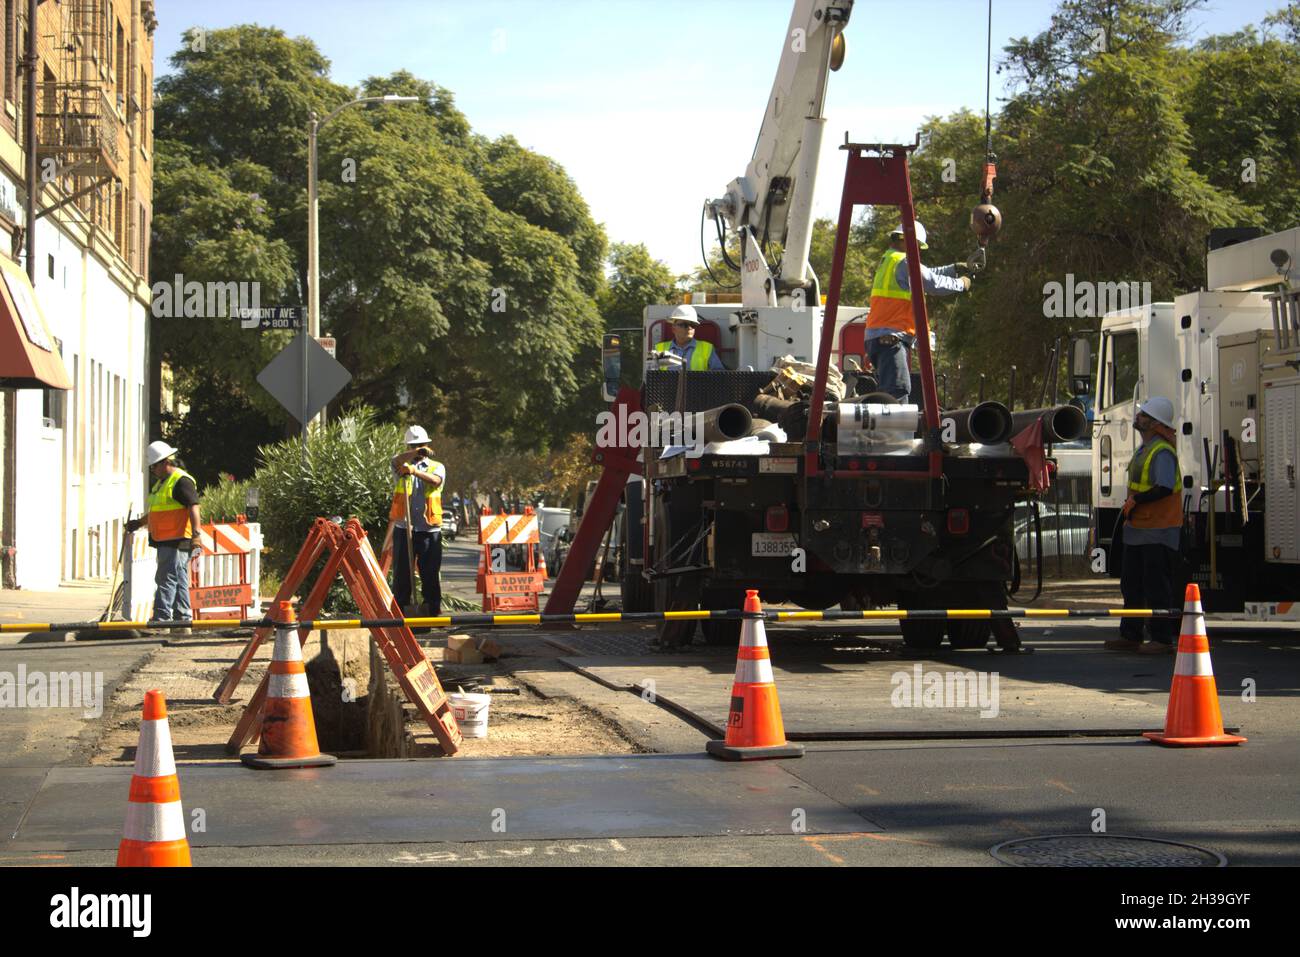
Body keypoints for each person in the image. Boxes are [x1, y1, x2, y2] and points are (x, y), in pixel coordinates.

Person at [1105, 396, 1183, 654]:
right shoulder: (1145, 448)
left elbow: (1164, 487)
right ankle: (1131, 634)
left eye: (1143, 416)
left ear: (1155, 424)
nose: (1137, 418)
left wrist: (1136, 499)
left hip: (1158, 531)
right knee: (1132, 584)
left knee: (1156, 586)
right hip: (1139, 530)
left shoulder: (1161, 451)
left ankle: (1162, 639)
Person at [866, 221, 972, 403]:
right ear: (909, 241)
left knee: (890, 394)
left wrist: (953, 269)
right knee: (897, 393)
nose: (918, 251)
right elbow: (932, 283)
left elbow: (925, 273)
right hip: (891, 340)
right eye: (917, 246)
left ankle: (893, 430)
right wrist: (961, 283)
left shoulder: (889, 259)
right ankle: (898, 432)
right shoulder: (904, 262)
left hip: (878, 339)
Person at [126, 441, 203, 628]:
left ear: (164, 462)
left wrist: (197, 535)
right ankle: (182, 619)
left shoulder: (180, 481)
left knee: (165, 578)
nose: (153, 471)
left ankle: (161, 620)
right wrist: (139, 523)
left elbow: (194, 506)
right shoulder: (163, 483)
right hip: (166, 539)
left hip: (176, 539)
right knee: (178, 579)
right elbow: (157, 512)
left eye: (154, 467)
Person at [385, 425, 446, 615]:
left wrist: (414, 471)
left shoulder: (437, 466)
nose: (418, 449)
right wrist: (412, 456)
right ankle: (402, 612)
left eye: (420, 445)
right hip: (405, 527)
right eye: (413, 445)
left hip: (428, 529)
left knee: (429, 573)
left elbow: (436, 481)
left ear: (427, 444)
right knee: (402, 573)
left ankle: (433, 610)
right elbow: (395, 460)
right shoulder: (400, 466)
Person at [652, 304, 726, 370]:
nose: (689, 328)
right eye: (684, 325)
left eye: (693, 325)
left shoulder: (707, 348)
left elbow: (719, 375)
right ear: (674, 328)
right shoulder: (659, 349)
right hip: (668, 386)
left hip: (698, 385)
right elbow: (651, 377)